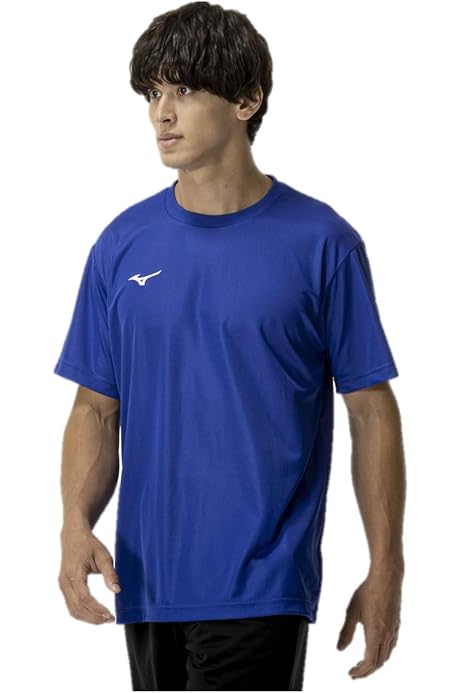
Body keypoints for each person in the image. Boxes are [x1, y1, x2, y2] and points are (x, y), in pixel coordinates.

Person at [55, 2, 406, 690]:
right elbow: (95, 407)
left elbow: (371, 409)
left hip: (261, 585)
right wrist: (74, 523)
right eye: (153, 93)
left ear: (247, 100)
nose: (162, 114)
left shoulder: (322, 243)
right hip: (145, 586)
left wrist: (386, 565)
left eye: (184, 90)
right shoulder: (120, 245)